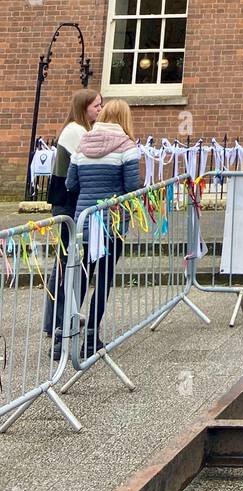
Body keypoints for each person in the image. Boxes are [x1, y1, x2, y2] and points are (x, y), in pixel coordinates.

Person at [65, 98, 141, 359]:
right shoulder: (127, 147)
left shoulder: (81, 145)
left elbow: (70, 184)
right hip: (111, 223)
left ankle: (67, 334)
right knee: (104, 279)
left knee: (81, 278)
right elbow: (132, 186)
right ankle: (91, 336)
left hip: (84, 222)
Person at [44, 88, 102, 342]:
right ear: (83, 108)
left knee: (68, 263)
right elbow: (87, 162)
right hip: (66, 203)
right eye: (96, 106)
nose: (100, 110)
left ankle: (58, 321)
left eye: (101, 105)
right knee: (66, 264)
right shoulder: (75, 132)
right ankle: (58, 323)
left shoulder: (82, 130)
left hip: (71, 201)